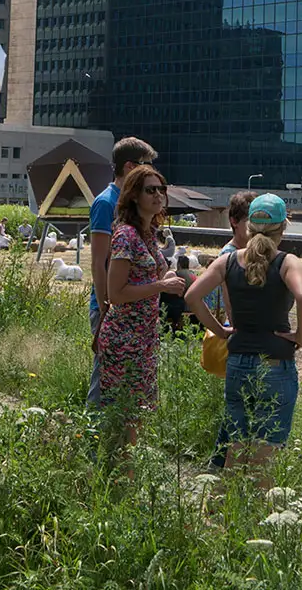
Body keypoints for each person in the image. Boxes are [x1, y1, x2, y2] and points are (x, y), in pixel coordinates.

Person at [186, 193, 302, 468]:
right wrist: (300, 338)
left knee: (236, 447)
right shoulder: (287, 262)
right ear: (283, 228)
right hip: (275, 363)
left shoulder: (228, 261)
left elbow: (192, 297)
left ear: (249, 226)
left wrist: (220, 331)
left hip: (238, 362)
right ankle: (259, 498)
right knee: (264, 453)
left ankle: (227, 496)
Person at [93, 164, 185, 435]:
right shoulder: (126, 235)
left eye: (161, 189)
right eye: (150, 190)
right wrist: (161, 285)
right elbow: (116, 294)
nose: (158, 195)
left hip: (144, 338)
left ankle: (126, 461)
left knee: (139, 414)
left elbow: (153, 274)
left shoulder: (148, 234)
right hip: (124, 339)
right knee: (125, 416)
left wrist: (173, 279)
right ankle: (116, 461)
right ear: (134, 195)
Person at [87, 136, 157, 406]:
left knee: (130, 381)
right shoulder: (106, 203)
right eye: (146, 166)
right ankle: (92, 428)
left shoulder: (133, 204)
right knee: (104, 377)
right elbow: (98, 261)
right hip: (110, 304)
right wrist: (104, 304)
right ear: (129, 167)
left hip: (133, 307)